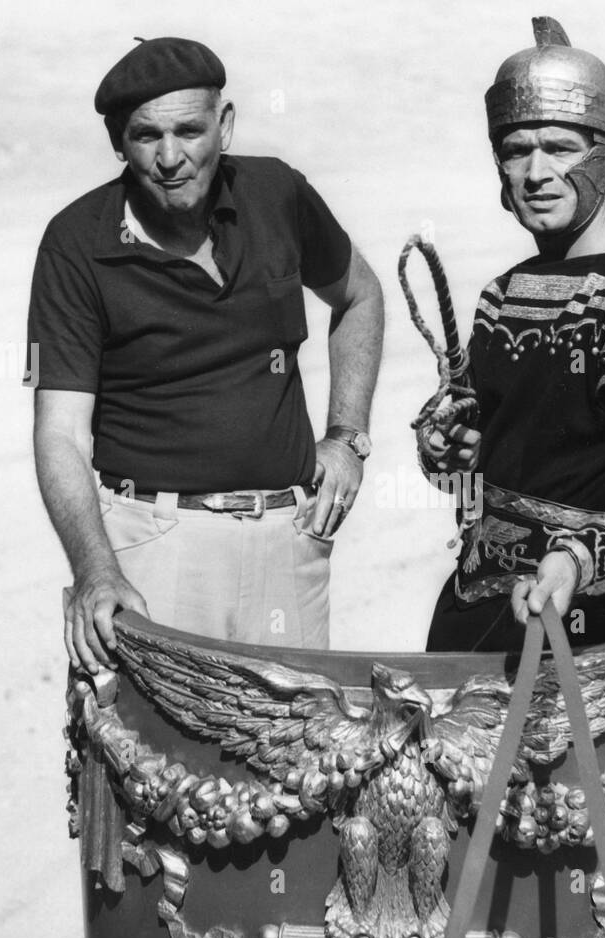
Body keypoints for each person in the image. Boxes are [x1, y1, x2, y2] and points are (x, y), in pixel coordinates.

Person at [27, 37, 383, 673]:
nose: (170, 157)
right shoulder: (75, 243)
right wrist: (95, 571)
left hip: (289, 542)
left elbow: (360, 294)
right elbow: (60, 434)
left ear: (224, 125)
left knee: (305, 762)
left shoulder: (277, 193)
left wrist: (348, 436)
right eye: (145, 136)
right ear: (117, 141)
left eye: (189, 131)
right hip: (156, 552)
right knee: (156, 766)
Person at [422, 16, 605, 653]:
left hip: (585, 618)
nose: (535, 171)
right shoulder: (501, 293)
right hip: (473, 612)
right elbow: (494, 455)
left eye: (558, 147)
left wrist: (577, 561)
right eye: (516, 149)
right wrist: (451, 451)